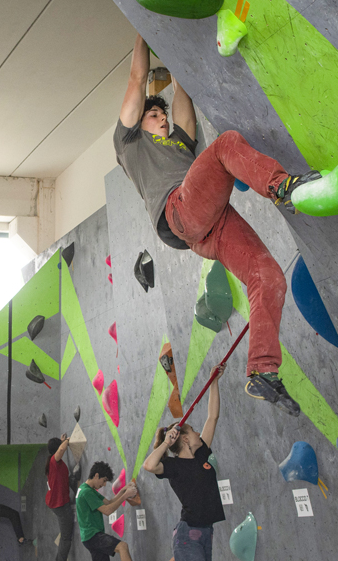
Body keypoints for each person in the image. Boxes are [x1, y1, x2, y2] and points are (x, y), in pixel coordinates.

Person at [115, 34, 312, 415]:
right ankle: (283, 187)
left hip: (206, 226)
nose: (163, 117)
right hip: (179, 211)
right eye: (155, 114)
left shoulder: (178, 142)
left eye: (164, 114)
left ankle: (263, 371)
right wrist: (143, 32)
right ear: (140, 121)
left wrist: (178, 56)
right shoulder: (129, 143)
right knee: (223, 146)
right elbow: (137, 79)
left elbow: (183, 91)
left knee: (268, 276)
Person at [143, 363, 228, 561]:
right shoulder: (173, 465)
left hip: (205, 533)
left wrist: (214, 381)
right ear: (183, 440)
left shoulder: (201, 453)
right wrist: (167, 442)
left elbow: (212, 417)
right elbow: (149, 465)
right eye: (192, 431)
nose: (198, 433)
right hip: (187, 537)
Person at [76, 462, 156, 561]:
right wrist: (126, 496)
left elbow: (108, 502)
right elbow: (107, 511)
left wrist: (123, 491)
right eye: (104, 480)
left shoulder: (86, 490)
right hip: (93, 535)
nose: (104, 484)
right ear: (96, 475)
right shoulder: (87, 492)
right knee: (122, 546)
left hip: (89, 537)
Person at [45, 434, 74, 561]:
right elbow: (61, 450)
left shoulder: (57, 462)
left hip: (59, 502)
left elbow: (61, 450)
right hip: (59, 505)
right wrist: (67, 441)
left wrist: (63, 442)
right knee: (66, 537)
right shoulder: (53, 461)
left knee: (66, 534)